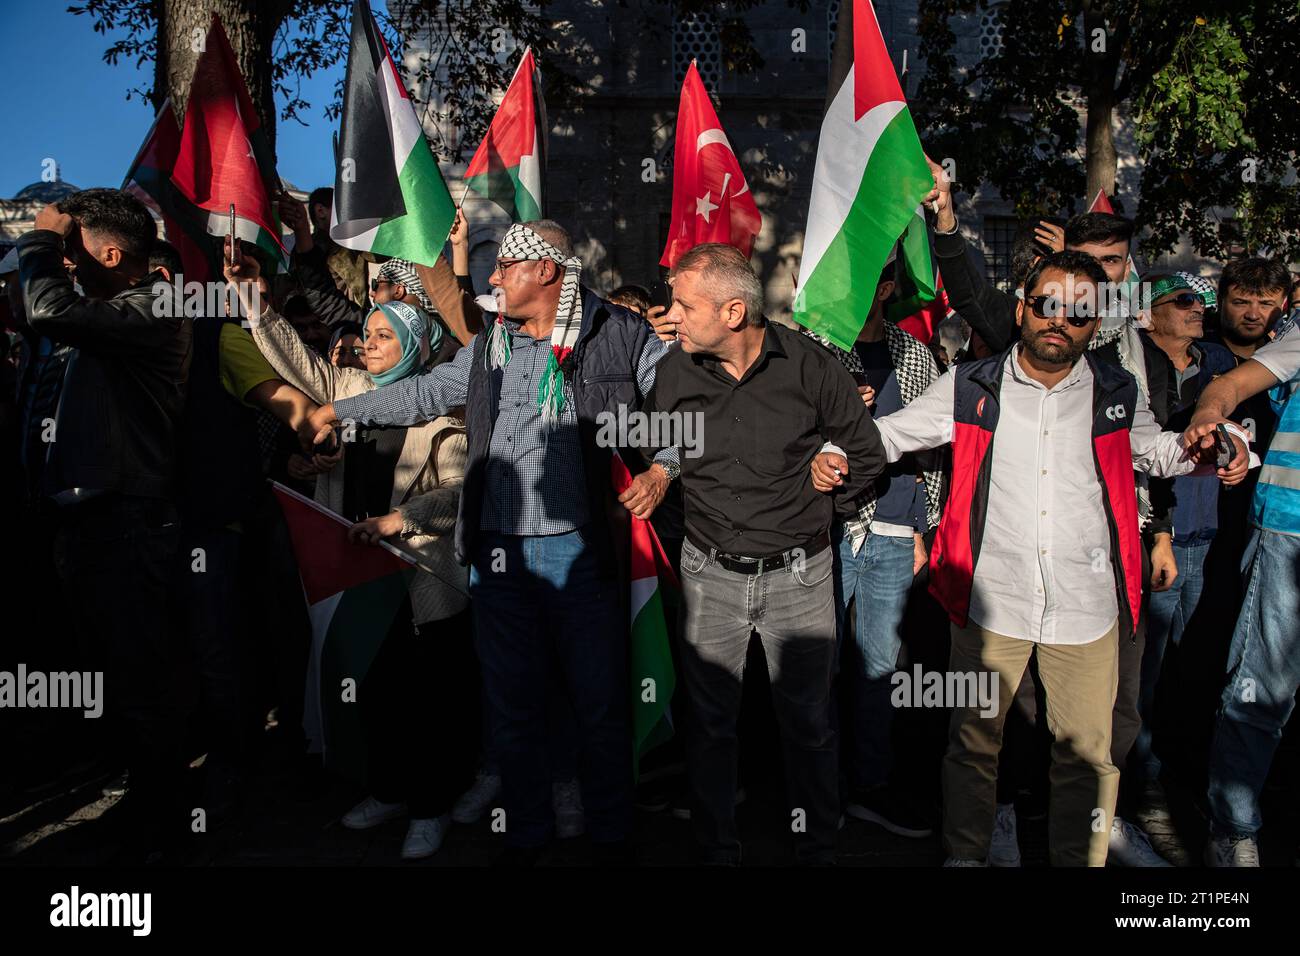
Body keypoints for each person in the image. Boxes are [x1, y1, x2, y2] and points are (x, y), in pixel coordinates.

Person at [814, 252, 1248, 866]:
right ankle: (966, 856)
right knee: (972, 746)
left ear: (1095, 324)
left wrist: (1211, 444)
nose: (1059, 320)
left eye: (1078, 312)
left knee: (1087, 759)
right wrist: (837, 450)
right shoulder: (972, 384)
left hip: (1086, 607)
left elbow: (1157, 452)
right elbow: (893, 433)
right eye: (1047, 304)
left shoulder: (1115, 389)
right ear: (1023, 308)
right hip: (992, 601)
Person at [305, 219, 678, 865]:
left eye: (506, 265)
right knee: (512, 707)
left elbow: (685, 403)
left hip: (579, 553)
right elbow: (425, 393)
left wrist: (662, 467)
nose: (496, 278)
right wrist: (340, 410)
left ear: (547, 272)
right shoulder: (488, 347)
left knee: (596, 703)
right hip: (497, 559)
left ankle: (611, 833)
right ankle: (528, 833)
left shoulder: (622, 335)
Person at [227, 238, 475, 862]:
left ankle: (431, 806)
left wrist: (402, 518)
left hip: (422, 581)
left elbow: (462, 491)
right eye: (366, 333)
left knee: (430, 705)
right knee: (377, 689)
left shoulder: (443, 410)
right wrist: (256, 300)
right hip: (362, 577)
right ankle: (390, 790)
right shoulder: (351, 388)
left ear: (415, 346)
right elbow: (297, 367)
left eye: (383, 335)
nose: (367, 342)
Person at [644, 243, 887, 865]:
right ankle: (716, 846)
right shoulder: (674, 371)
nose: (671, 314)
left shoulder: (812, 368)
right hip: (707, 574)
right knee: (710, 723)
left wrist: (828, 488)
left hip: (800, 577)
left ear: (732, 312)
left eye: (683, 303)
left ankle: (816, 842)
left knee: (808, 724)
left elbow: (866, 454)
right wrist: (660, 472)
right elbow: (667, 445)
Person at [16, 188, 192, 860]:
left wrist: (36, 242)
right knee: (111, 674)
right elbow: (36, 320)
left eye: (74, 244)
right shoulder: (108, 308)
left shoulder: (155, 302)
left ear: (112, 253)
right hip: (85, 515)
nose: (63, 254)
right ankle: (143, 801)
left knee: (139, 677)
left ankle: (164, 827)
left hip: (126, 517)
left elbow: (43, 309)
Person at [803, 259, 941, 838]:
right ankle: (817, 792)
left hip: (890, 529)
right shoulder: (813, 350)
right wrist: (836, 419)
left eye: (862, 280)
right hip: (825, 529)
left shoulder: (915, 354)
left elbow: (935, 443)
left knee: (880, 668)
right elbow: (781, 435)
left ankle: (871, 788)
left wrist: (921, 527)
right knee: (819, 665)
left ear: (884, 288)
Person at [1185, 311, 1300, 866]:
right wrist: (1212, 418)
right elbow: (1230, 384)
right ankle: (1232, 830)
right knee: (1263, 687)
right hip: (1290, 527)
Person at [1130, 274, 1238, 822]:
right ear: (1149, 314)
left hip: (1213, 536)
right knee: (1144, 672)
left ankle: (1183, 774)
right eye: (1186, 300)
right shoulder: (1131, 366)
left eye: (1205, 300)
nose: (1202, 308)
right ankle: (1139, 784)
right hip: (1158, 537)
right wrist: (1159, 537)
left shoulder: (1220, 362)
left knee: (1196, 666)